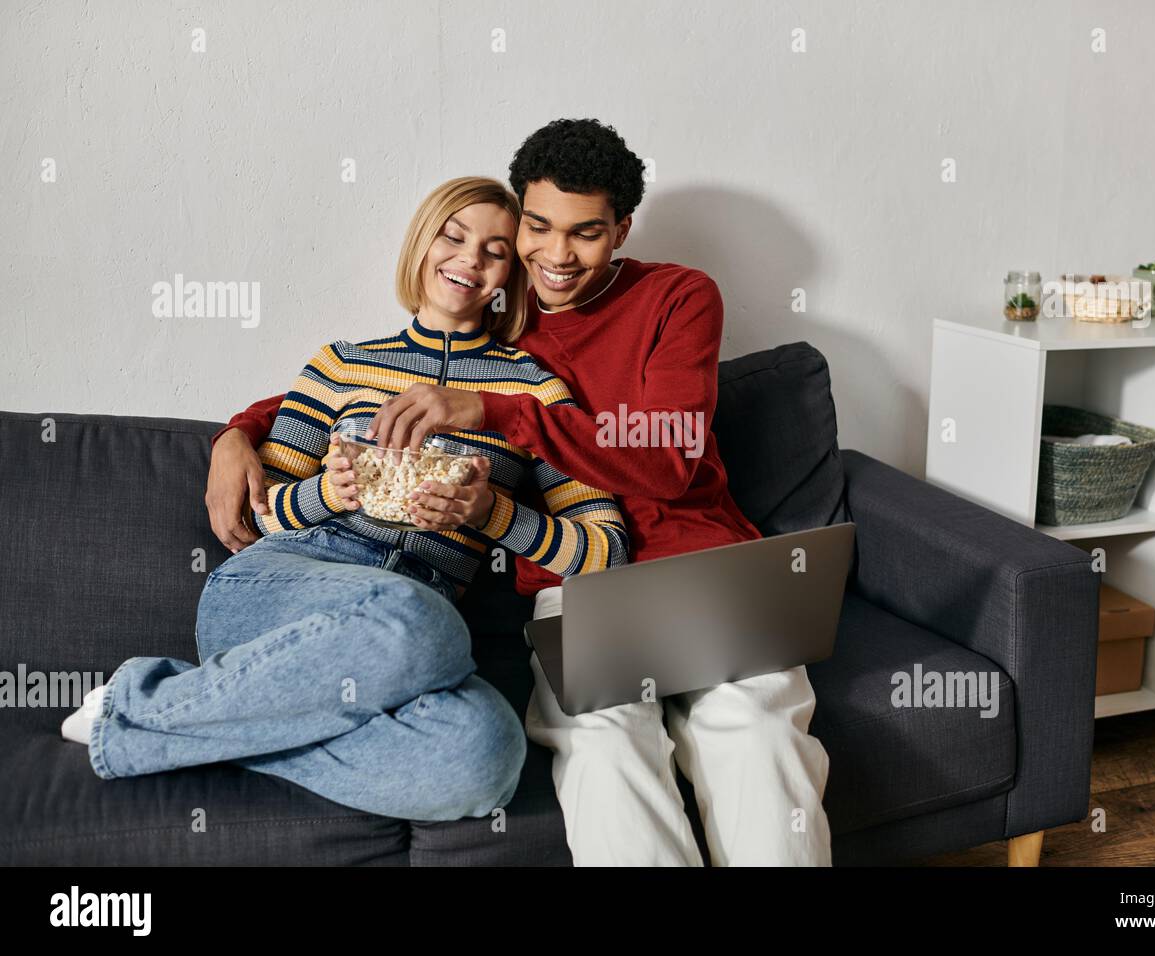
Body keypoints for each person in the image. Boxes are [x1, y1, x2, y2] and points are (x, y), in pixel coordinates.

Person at [208, 120, 832, 865]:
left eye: (586, 233)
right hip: (580, 592)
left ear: (621, 229)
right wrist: (236, 433)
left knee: (757, 734)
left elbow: (666, 456)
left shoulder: (677, 297)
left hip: (700, 570)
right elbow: (358, 385)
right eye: (535, 228)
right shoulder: (507, 323)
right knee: (604, 750)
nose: (556, 255)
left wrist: (496, 418)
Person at [61, 176, 628, 824]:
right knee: (426, 624)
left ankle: (149, 712)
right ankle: (170, 708)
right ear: (422, 242)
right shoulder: (341, 364)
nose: (469, 259)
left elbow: (604, 550)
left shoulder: (537, 392)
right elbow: (263, 514)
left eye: (494, 249)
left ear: (512, 272)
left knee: (488, 757)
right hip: (282, 586)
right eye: (454, 235)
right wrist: (329, 492)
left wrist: (491, 514)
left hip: (410, 622)